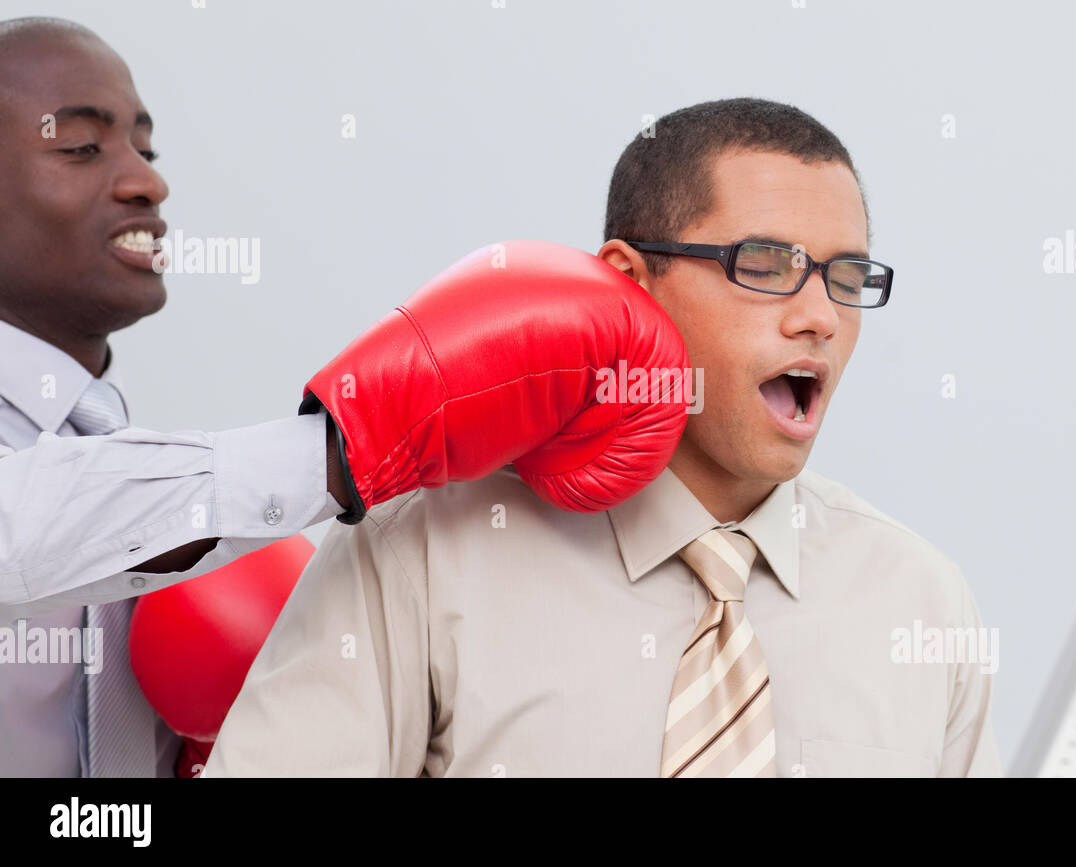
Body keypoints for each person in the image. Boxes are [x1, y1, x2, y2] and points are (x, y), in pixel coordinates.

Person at [204, 98, 1003, 777]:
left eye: (848, 277)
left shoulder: (920, 600)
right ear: (628, 282)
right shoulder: (425, 550)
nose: (820, 316)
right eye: (766, 264)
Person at [0, 17, 686, 777]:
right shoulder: (92, 497)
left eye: (147, 148)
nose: (147, 181)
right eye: (81, 147)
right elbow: (22, 525)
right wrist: (353, 442)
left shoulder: (144, 489)